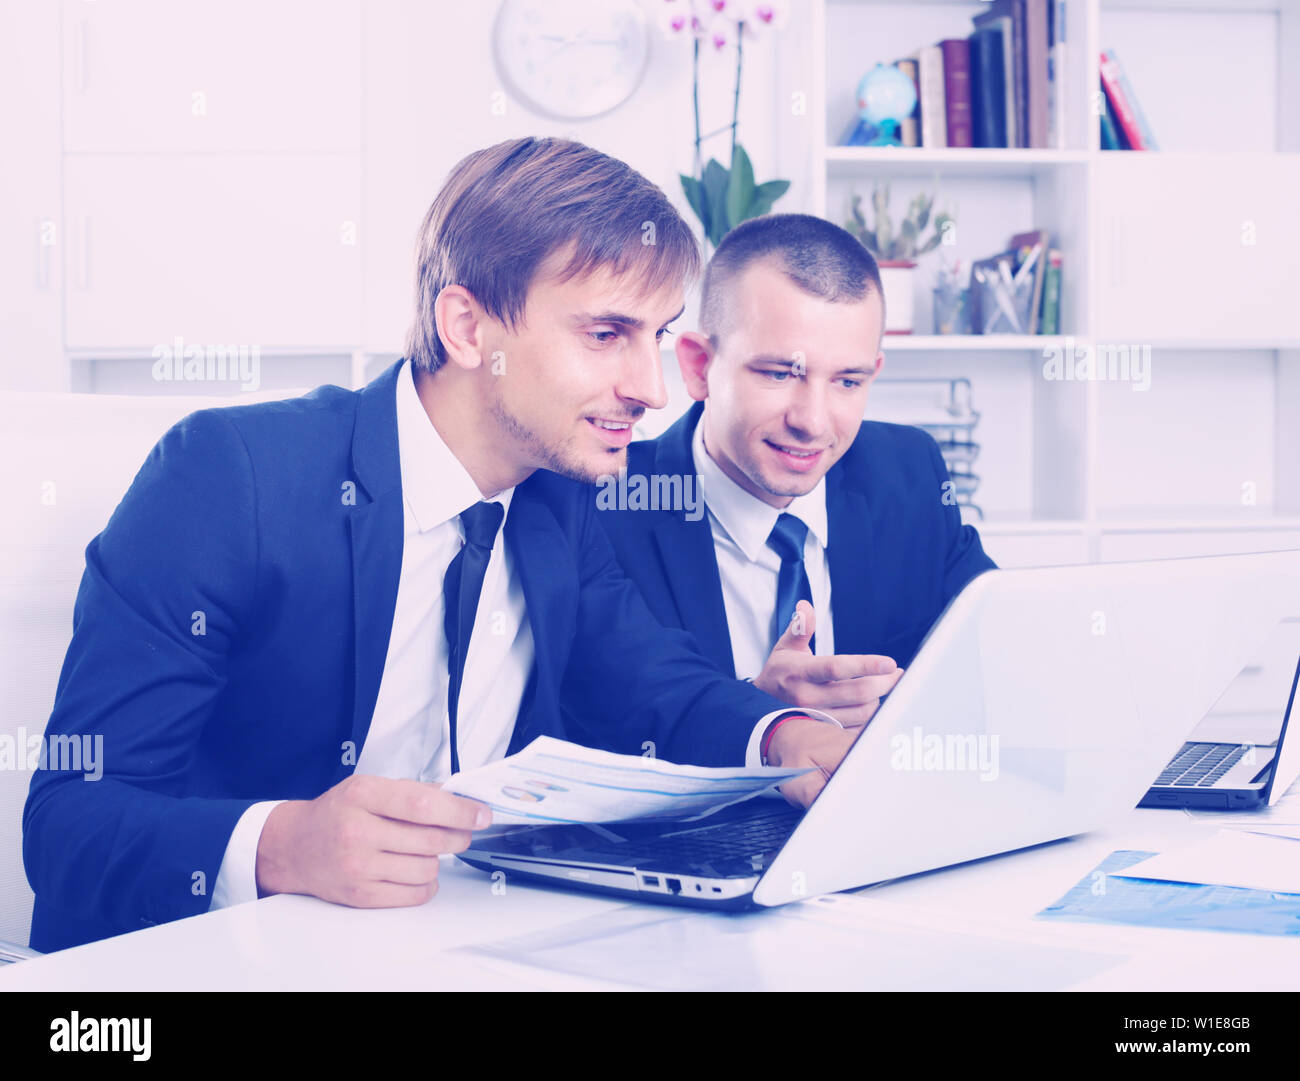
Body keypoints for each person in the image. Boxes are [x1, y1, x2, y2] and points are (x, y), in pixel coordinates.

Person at [23, 140, 853, 952]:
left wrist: (783, 734)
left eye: (656, 335)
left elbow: (650, 682)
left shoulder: (557, 493)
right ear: (466, 327)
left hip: (455, 944)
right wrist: (284, 843)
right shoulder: (228, 476)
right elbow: (69, 820)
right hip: (212, 962)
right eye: (606, 335)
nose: (651, 388)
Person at [592, 213, 996, 728]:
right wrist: (757, 712)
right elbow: (590, 725)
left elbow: (993, 648)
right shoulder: (606, 503)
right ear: (699, 367)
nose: (812, 421)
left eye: (848, 382)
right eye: (780, 374)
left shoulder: (910, 471)